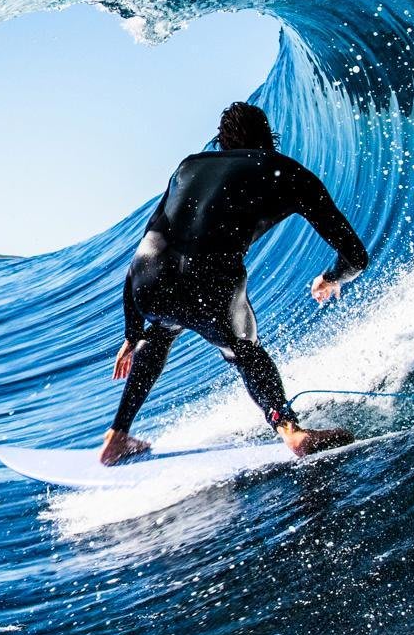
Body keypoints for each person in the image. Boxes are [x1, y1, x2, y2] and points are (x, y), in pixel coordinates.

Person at [99, 101, 370, 465]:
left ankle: (117, 435)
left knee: (160, 331)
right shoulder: (287, 172)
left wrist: (132, 335)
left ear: (222, 142)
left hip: (145, 279)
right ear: (269, 137)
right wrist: (332, 277)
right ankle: (290, 430)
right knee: (244, 350)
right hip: (210, 281)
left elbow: (146, 244)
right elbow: (356, 256)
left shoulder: (189, 165)